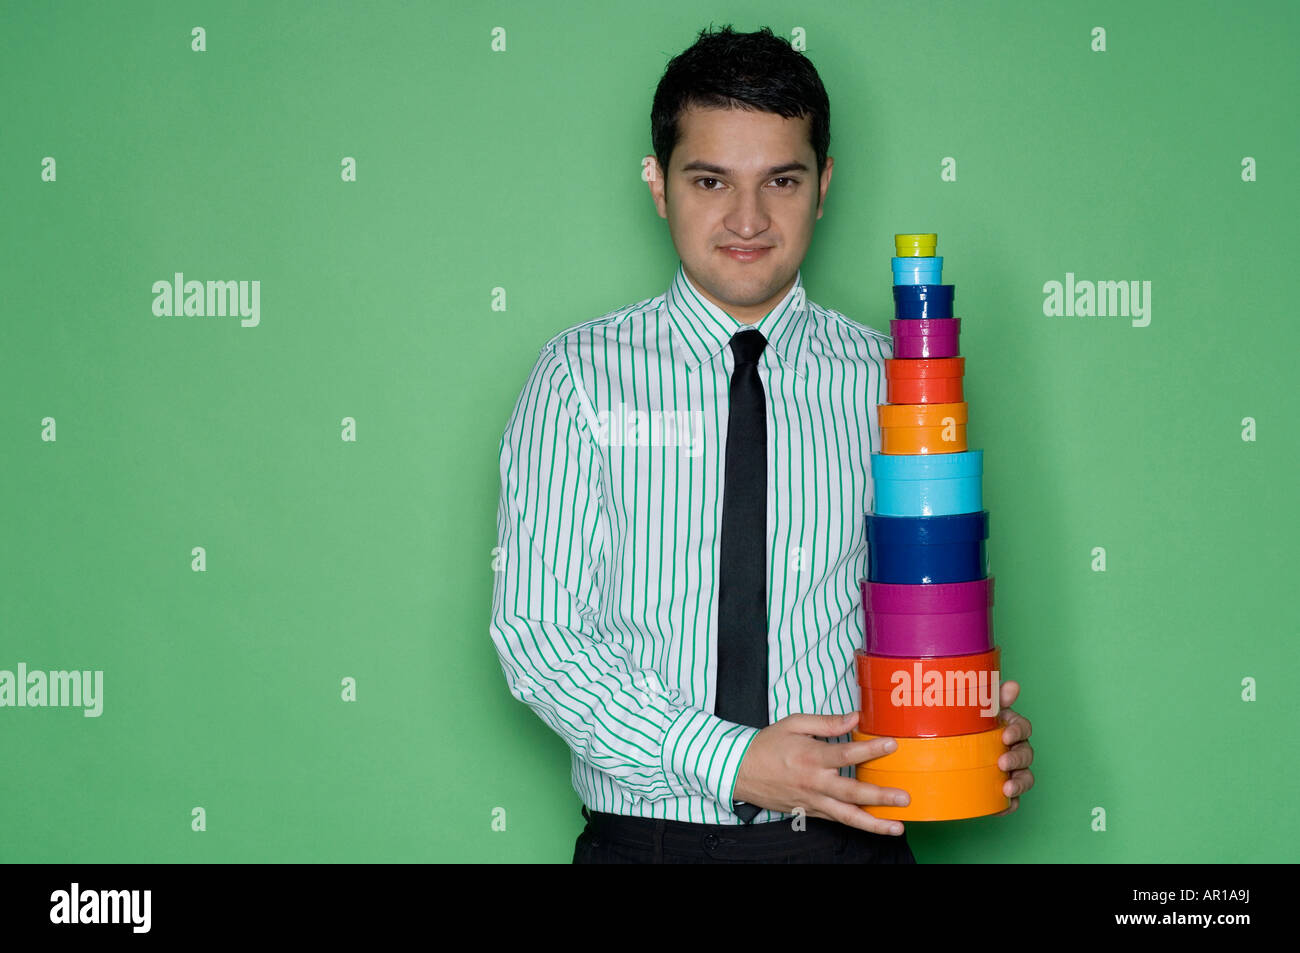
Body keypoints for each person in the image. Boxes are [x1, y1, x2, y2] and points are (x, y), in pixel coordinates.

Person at [488, 24, 1034, 863]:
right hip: (650, 843)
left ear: (823, 187)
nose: (747, 219)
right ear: (659, 186)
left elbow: (921, 603)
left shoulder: (897, 382)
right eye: (710, 180)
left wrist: (959, 725)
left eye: (782, 179)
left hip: (846, 840)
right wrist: (734, 759)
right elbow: (541, 634)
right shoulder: (578, 377)